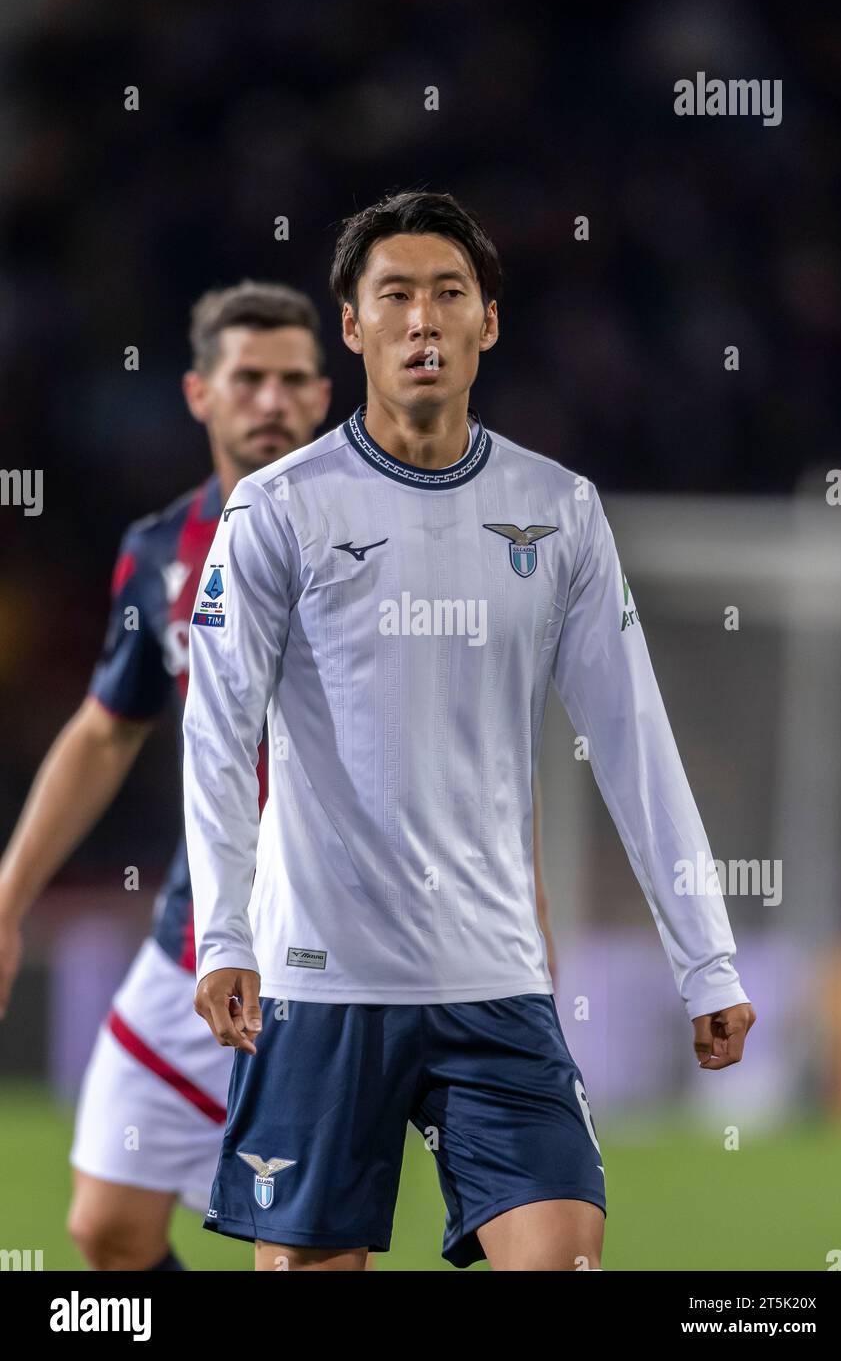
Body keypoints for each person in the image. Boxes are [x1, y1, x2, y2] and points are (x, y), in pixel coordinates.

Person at [184, 190, 756, 1273]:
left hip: (492, 980)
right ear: (350, 326)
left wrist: (706, 958)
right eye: (392, 294)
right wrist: (224, 936)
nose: (421, 319)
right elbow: (217, 735)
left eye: (448, 293)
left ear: (487, 321)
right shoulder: (278, 509)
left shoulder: (559, 510)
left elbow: (632, 739)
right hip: (320, 983)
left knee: (560, 1258)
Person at [0, 281, 332, 1269]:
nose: (270, 400)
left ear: (324, 395)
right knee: (106, 1227)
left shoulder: (378, 544)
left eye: (292, 380)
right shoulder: (157, 556)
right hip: (197, 936)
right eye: (248, 379)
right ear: (198, 394)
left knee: (302, 1250)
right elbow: (106, 731)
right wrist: (10, 898)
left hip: (335, 952)